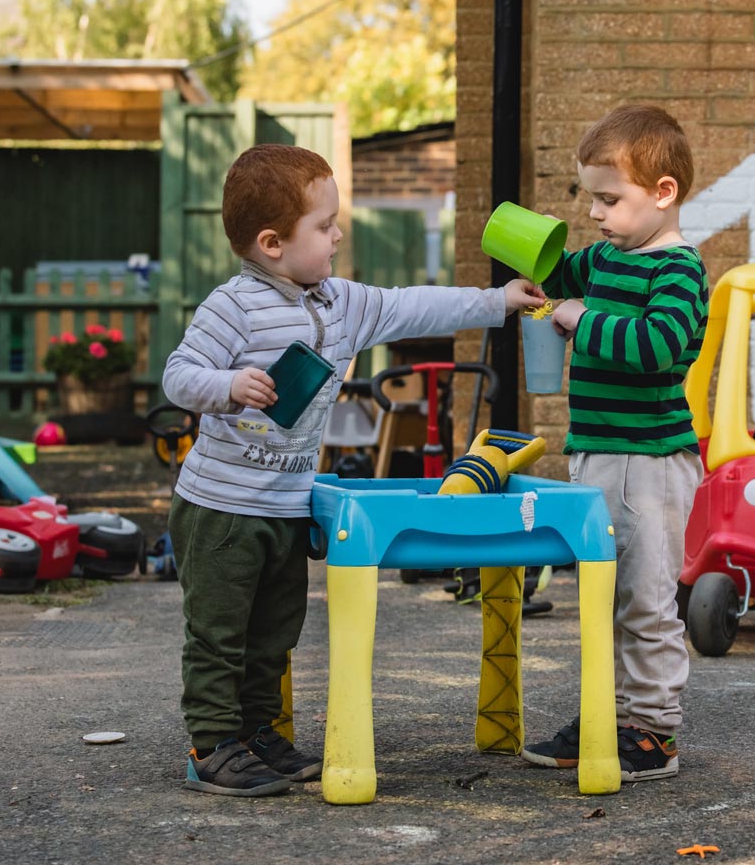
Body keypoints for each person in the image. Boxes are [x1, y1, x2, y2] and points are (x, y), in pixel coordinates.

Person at [162, 143, 545, 797]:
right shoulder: (233, 306)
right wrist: (228, 384)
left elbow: (414, 306)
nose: (338, 233)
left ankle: (258, 736)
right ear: (272, 243)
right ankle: (213, 745)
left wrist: (496, 300)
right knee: (221, 633)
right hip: (223, 508)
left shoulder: (340, 303)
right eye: (324, 225)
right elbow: (177, 376)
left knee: (274, 632)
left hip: (285, 505)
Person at [520, 104, 709, 782]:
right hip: (598, 452)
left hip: (651, 463)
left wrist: (576, 315)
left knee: (645, 600)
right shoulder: (605, 258)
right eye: (589, 198)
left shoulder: (678, 272)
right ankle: (609, 716)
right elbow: (552, 275)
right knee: (602, 594)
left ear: (663, 194)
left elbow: (654, 348)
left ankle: (653, 731)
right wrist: (529, 269)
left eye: (609, 199)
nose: (595, 215)